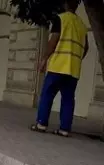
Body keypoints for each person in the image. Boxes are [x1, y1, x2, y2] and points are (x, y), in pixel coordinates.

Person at [31, 0, 89, 137]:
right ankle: (64, 129)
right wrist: (76, 59)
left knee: (47, 94)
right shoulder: (82, 25)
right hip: (73, 70)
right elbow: (86, 48)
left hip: (58, 66)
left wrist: (44, 59)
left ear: (65, 4)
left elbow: (53, 41)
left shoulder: (61, 19)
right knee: (68, 99)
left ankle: (41, 124)